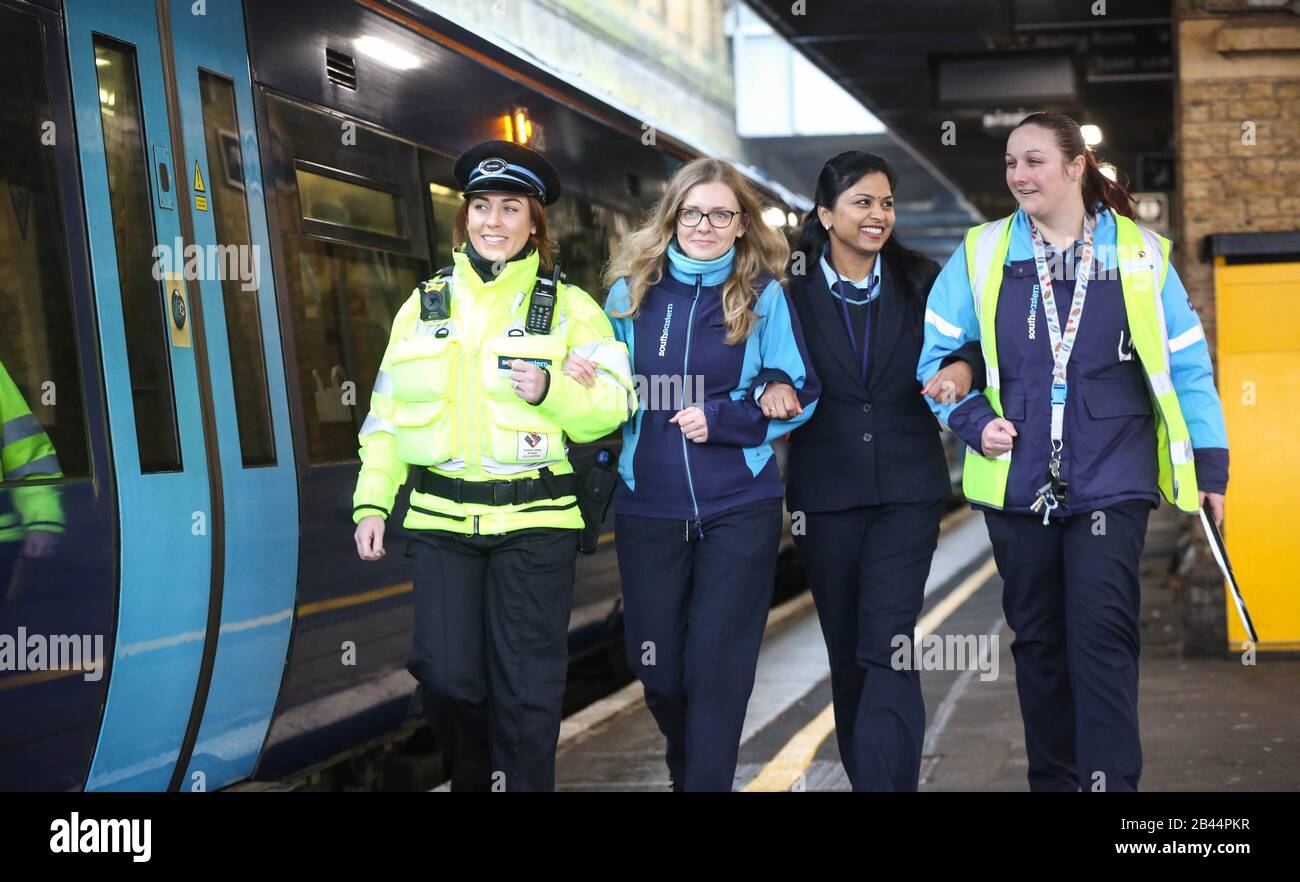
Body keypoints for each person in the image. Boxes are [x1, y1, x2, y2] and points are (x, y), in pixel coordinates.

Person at [918, 111, 1229, 792]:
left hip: (1113, 479)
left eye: (1033, 161)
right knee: (1039, 648)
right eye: (1010, 164)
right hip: (1017, 482)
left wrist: (1209, 465)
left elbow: (1187, 367)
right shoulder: (980, 253)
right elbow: (936, 360)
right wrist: (971, 420)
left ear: (1075, 166)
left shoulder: (1142, 254)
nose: (1018, 175)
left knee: (1104, 639)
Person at [352, 140, 636, 792]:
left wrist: (555, 391)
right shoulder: (421, 308)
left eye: (512, 208)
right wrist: (372, 503)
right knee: (448, 678)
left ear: (535, 221)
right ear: (465, 217)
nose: (494, 221)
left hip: (538, 525)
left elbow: (615, 406)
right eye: (482, 206)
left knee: (527, 689)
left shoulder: (572, 309)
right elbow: (386, 417)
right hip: (440, 521)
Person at [566, 157, 818, 791]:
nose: (706, 225)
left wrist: (731, 417)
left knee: (719, 667)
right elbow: (608, 393)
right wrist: (576, 378)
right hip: (648, 502)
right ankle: (694, 772)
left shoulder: (762, 296)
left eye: (722, 215)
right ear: (672, 217)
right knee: (661, 671)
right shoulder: (630, 293)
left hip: (740, 503)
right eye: (694, 212)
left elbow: (800, 390)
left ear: (741, 226)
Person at [757, 151, 983, 791]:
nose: (878, 214)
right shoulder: (789, 293)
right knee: (850, 652)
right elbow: (767, 362)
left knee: (888, 641)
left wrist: (961, 369)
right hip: (824, 497)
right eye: (862, 202)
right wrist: (774, 383)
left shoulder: (922, 279)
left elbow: (964, 342)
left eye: (886, 203)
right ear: (826, 214)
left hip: (907, 491)